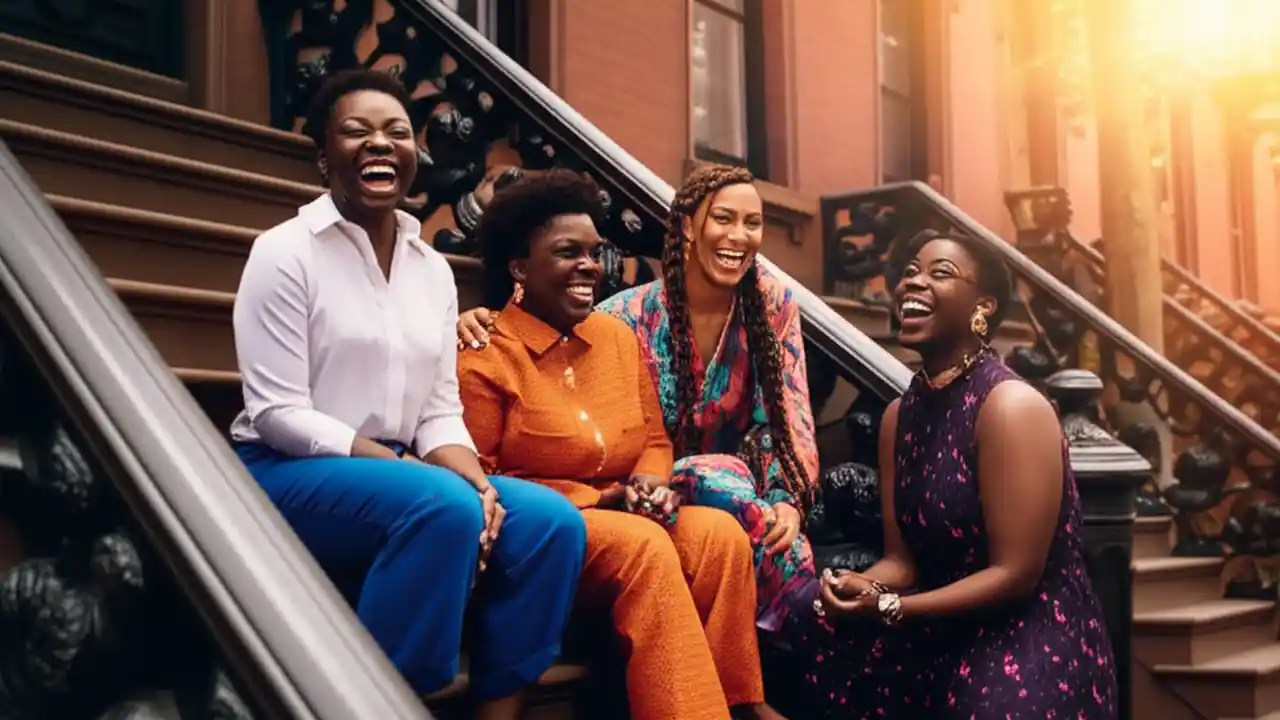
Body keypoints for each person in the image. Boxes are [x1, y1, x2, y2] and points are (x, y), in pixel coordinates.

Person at [230, 69, 585, 720]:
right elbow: (277, 415)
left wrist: (480, 487)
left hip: (401, 473)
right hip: (285, 473)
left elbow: (438, 411)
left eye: (395, 131)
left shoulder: (433, 272)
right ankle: (379, 701)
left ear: (413, 158)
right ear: (321, 157)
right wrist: (412, 474)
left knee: (550, 525)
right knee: (442, 508)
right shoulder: (283, 255)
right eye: (355, 131)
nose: (378, 143)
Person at [456, 170, 784, 720]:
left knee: (720, 537)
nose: (590, 265)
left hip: (622, 508)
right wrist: (598, 501)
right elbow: (477, 479)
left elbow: (654, 439)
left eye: (594, 251)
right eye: (568, 252)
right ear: (519, 268)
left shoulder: (614, 335)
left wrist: (650, 485)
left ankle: (738, 702)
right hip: (544, 530)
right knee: (646, 548)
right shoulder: (486, 353)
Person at [791, 229, 1117, 718]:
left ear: (981, 307)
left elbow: (1015, 576)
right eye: (908, 273)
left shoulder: (1010, 406)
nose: (913, 284)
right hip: (932, 623)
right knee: (803, 619)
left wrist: (891, 609)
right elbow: (903, 565)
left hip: (1026, 633)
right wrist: (858, 587)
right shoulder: (899, 416)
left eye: (939, 273)